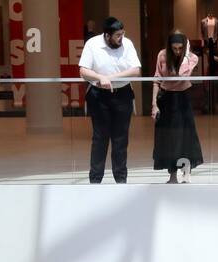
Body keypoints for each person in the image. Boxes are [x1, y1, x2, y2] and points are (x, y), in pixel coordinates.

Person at [79, 17, 141, 184]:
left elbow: (135, 70)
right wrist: (100, 77)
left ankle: (121, 179)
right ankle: (95, 179)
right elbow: (83, 71)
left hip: (122, 94)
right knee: (100, 138)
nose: (121, 38)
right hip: (99, 95)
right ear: (107, 36)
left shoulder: (127, 44)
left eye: (122, 34)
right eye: (117, 36)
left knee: (120, 139)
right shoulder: (92, 44)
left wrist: (110, 78)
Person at [152, 32, 204, 183]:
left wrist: (186, 54)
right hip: (166, 98)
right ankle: (172, 174)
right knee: (168, 137)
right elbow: (157, 78)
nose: (177, 51)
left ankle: (186, 170)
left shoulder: (192, 58)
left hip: (182, 98)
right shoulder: (162, 55)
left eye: (180, 48)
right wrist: (154, 104)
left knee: (185, 135)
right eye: (174, 48)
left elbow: (182, 74)